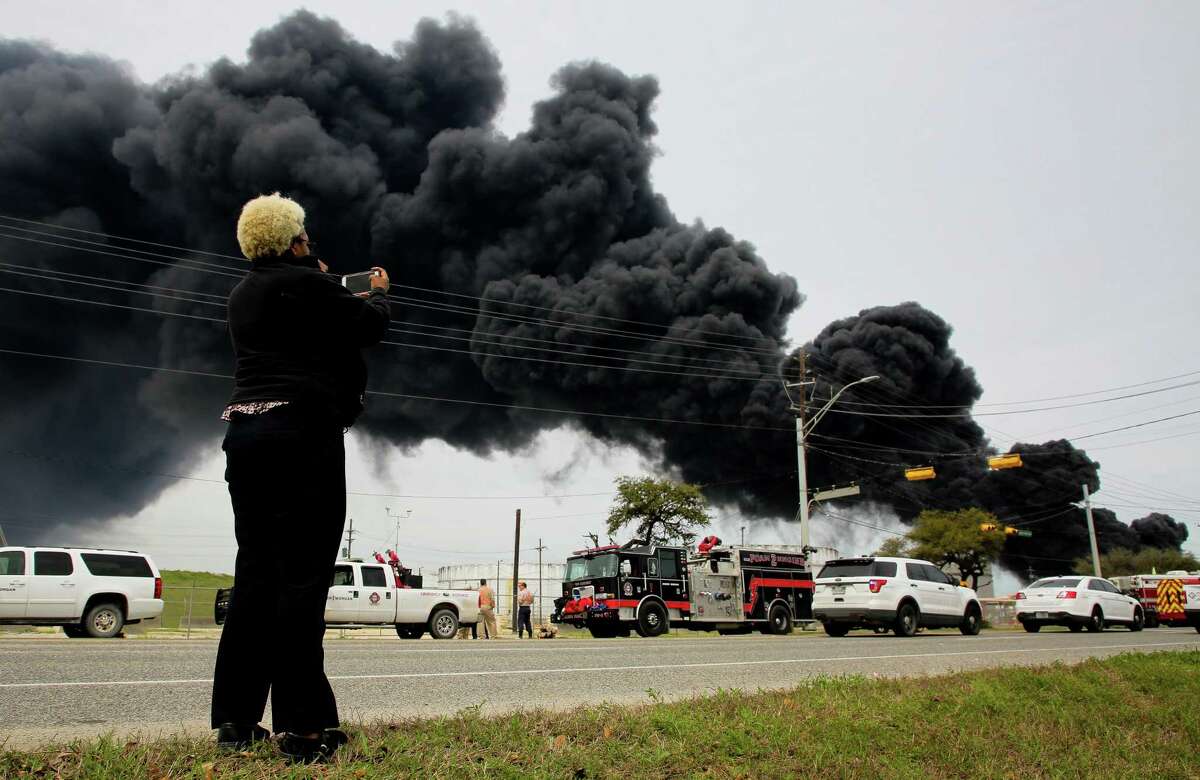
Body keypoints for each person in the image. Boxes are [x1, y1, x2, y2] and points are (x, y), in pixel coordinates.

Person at [210, 193, 390, 762]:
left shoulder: (240, 295)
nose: (311, 244)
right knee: (302, 579)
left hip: (244, 435)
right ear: (291, 241)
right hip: (301, 437)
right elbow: (367, 327)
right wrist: (376, 292)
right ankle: (305, 730)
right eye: (305, 238)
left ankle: (237, 721)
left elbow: (299, 327)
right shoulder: (309, 285)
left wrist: (322, 284)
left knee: (255, 574)